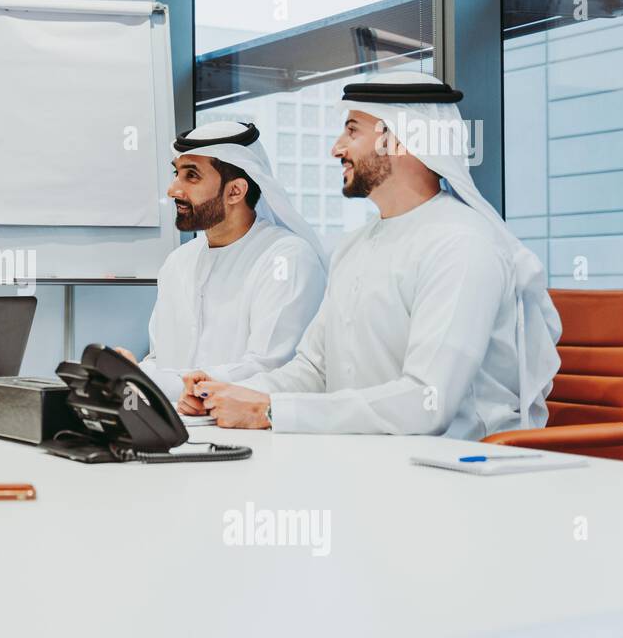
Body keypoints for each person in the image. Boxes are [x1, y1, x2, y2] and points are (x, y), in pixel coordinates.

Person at [180, 71, 561, 439]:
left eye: (351, 130)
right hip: (366, 458)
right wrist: (223, 393)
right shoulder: (354, 245)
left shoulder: (462, 244)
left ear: (399, 141)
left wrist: (271, 411)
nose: (336, 148)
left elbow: (427, 401)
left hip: (453, 470)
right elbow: (314, 370)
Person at [117, 121, 326, 401]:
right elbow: (161, 359)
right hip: (175, 430)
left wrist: (153, 383)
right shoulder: (178, 262)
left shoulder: (286, 259)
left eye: (191, 177)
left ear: (235, 191)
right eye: (176, 174)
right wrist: (130, 375)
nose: (173, 190)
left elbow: (269, 368)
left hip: (249, 436)